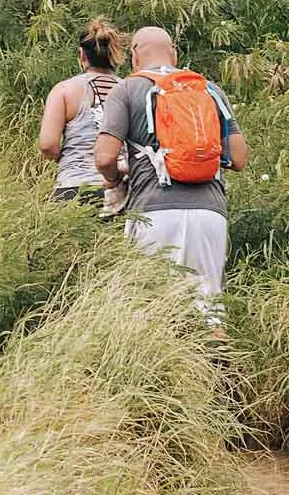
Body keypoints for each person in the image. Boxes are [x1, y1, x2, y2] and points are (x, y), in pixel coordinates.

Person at [94, 26, 248, 325]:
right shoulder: (208, 89)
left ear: (134, 56)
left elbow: (104, 156)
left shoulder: (126, 89)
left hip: (154, 212)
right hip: (209, 213)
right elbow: (239, 158)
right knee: (209, 313)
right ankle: (221, 367)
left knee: (154, 315)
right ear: (174, 53)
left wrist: (115, 181)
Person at [38, 18, 123, 210]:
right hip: (121, 191)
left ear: (82, 55)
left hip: (73, 188)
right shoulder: (131, 89)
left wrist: (65, 158)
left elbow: (47, 145)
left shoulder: (64, 90)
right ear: (114, 55)